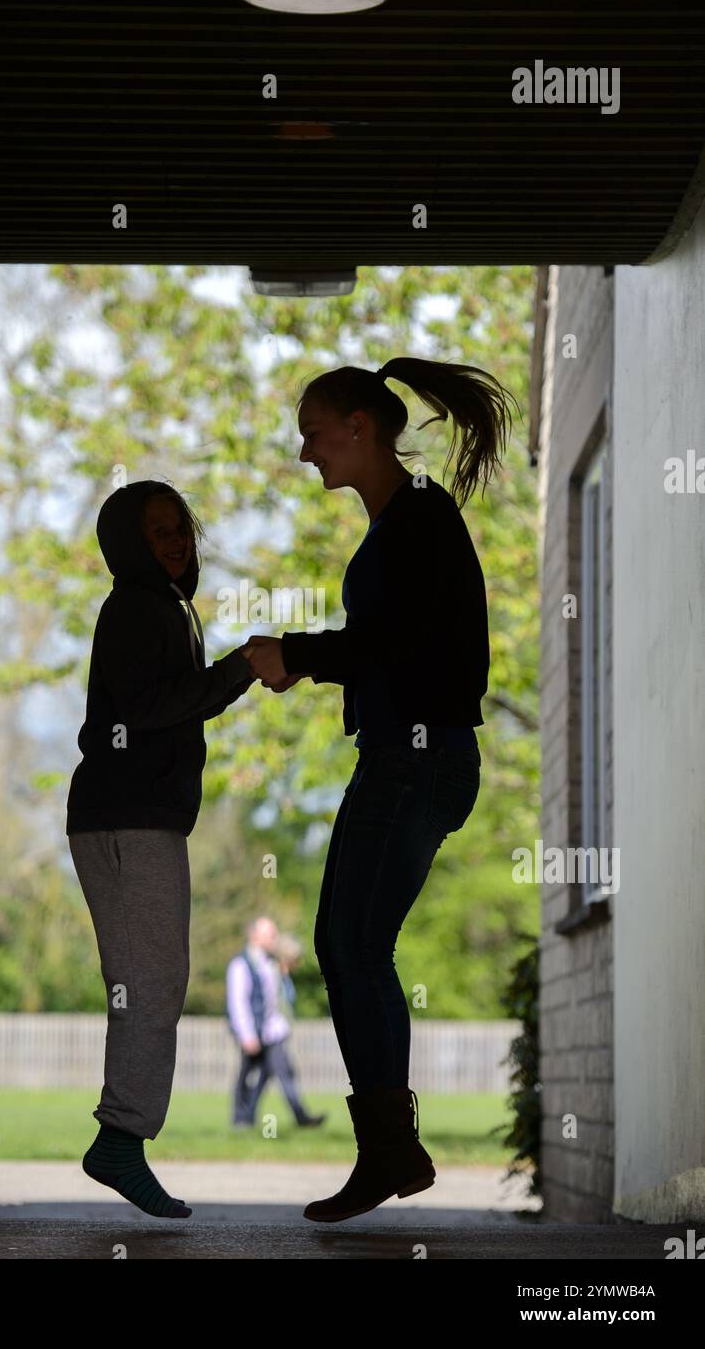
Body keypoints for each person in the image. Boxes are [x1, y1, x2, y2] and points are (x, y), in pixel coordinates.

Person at [240, 356, 517, 1222]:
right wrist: (303, 658)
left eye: (313, 434)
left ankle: (390, 1153)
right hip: (402, 755)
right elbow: (395, 642)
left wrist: (301, 653)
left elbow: (398, 642)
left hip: (418, 759)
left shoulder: (422, 521)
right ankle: (388, 1151)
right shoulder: (404, 522)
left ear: (360, 427)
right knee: (346, 945)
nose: (304, 452)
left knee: (353, 946)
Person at [66, 479, 262, 1219]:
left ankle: (123, 1136)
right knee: (148, 986)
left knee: (152, 983)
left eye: (180, 527)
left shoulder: (165, 608)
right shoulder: (133, 610)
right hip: (125, 820)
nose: (175, 540)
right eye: (157, 531)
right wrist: (240, 669)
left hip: (140, 820)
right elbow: (149, 709)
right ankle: (119, 1140)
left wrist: (234, 670)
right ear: (127, 543)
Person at [225, 917, 325, 1129]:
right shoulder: (241, 964)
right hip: (254, 1032)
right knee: (248, 1075)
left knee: (283, 1073)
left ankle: (300, 1116)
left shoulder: (272, 963)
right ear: (254, 936)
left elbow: (281, 997)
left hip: (273, 1033)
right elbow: (237, 1002)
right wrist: (247, 1035)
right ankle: (241, 1120)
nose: (274, 939)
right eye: (270, 934)